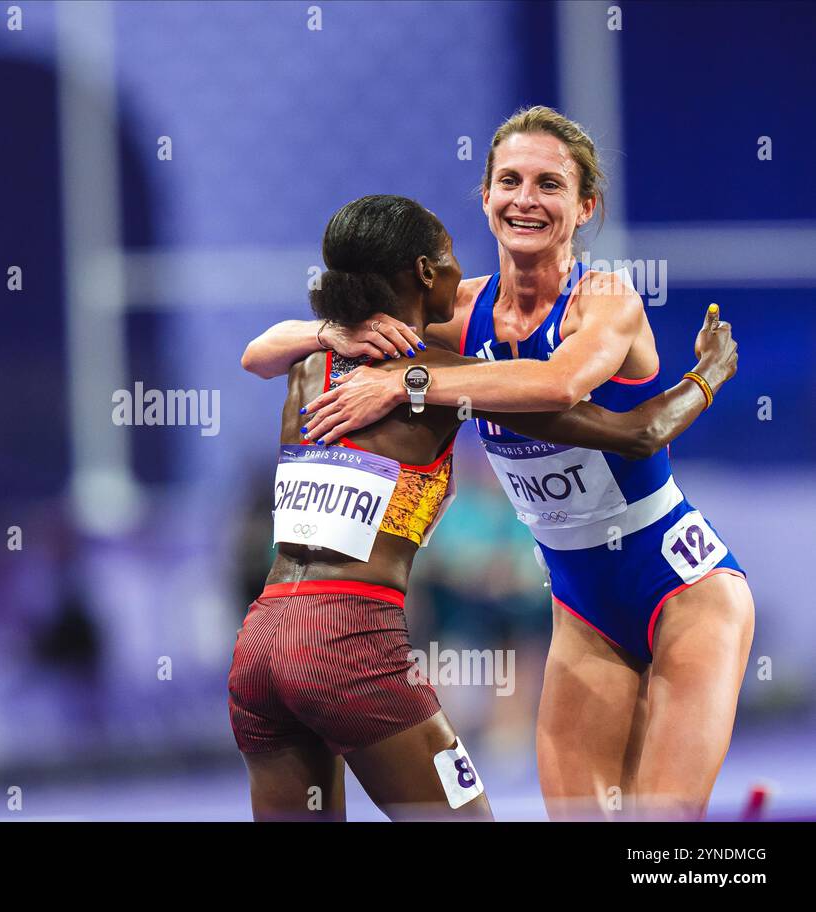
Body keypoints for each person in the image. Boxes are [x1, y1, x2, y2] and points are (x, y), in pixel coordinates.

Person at [230, 193, 736, 821]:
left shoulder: (307, 362)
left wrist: (323, 330)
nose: (458, 273)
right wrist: (710, 374)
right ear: (423, 273)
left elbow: (255, 351)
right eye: (447, 260)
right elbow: (636, 433)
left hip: (260, 644)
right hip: (348, 645)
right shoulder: (440, 378)